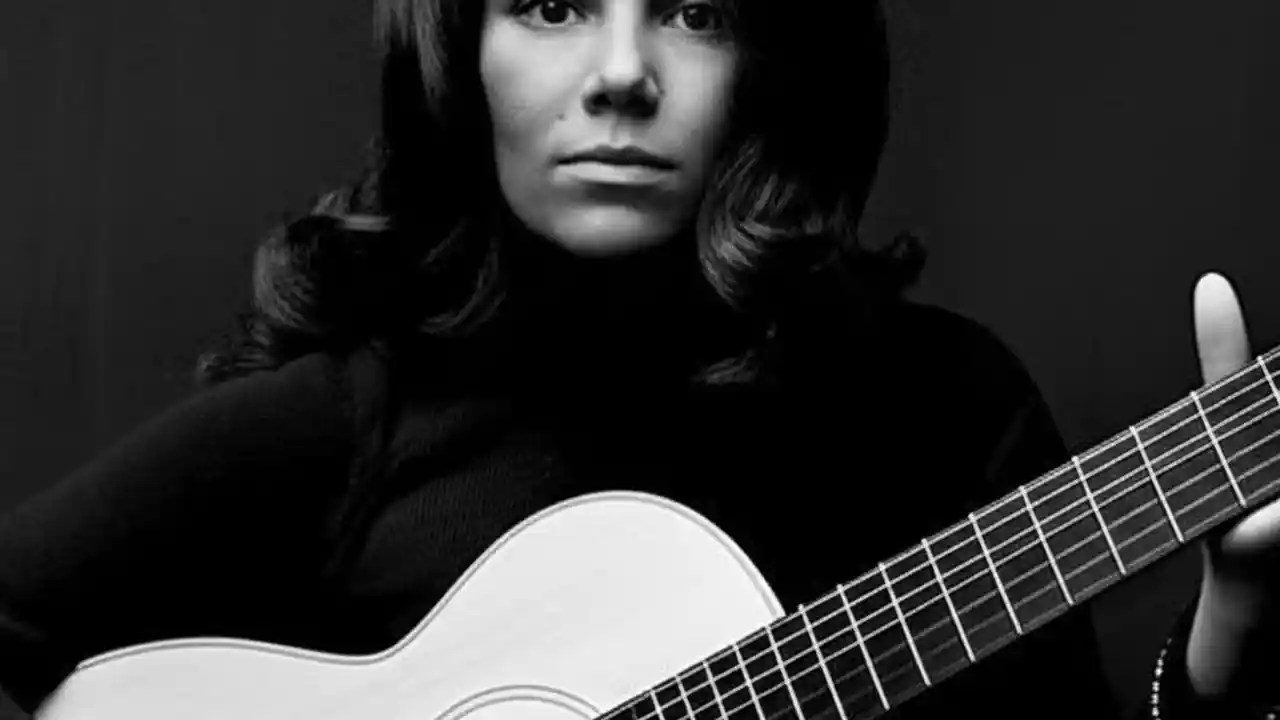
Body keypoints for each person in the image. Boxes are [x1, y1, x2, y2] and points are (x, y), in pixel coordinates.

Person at [0, 0, 1275, 717]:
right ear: (458, 51)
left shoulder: (941, 409)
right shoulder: (356, 419)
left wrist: (1228, 635)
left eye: (697, 10)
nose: (620, 75)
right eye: (551, 5)